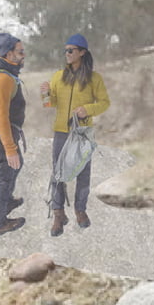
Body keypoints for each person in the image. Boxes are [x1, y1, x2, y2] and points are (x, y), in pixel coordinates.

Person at [40, 31, 110, 234]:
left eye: (71, 50)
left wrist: (87, 109)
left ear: (82, 52)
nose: (67, 54)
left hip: (82, 133)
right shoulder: (58, 76)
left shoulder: (94, 79)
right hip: (61, 131)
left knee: (83, 173)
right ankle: (58, 214)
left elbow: (105, 103)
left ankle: (80, 210)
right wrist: (45, 93)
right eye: (65, 51)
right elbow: (49, 104)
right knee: (58, 173)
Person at [0, 32, 30, 235]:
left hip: (2, 131)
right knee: (4, 174)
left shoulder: (4, 72)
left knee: (16, 166)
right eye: (20, 51)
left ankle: (7, 202)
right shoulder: (2, 79)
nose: (23, 55)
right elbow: (1, 117)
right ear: (9, 54)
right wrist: (10, 148)